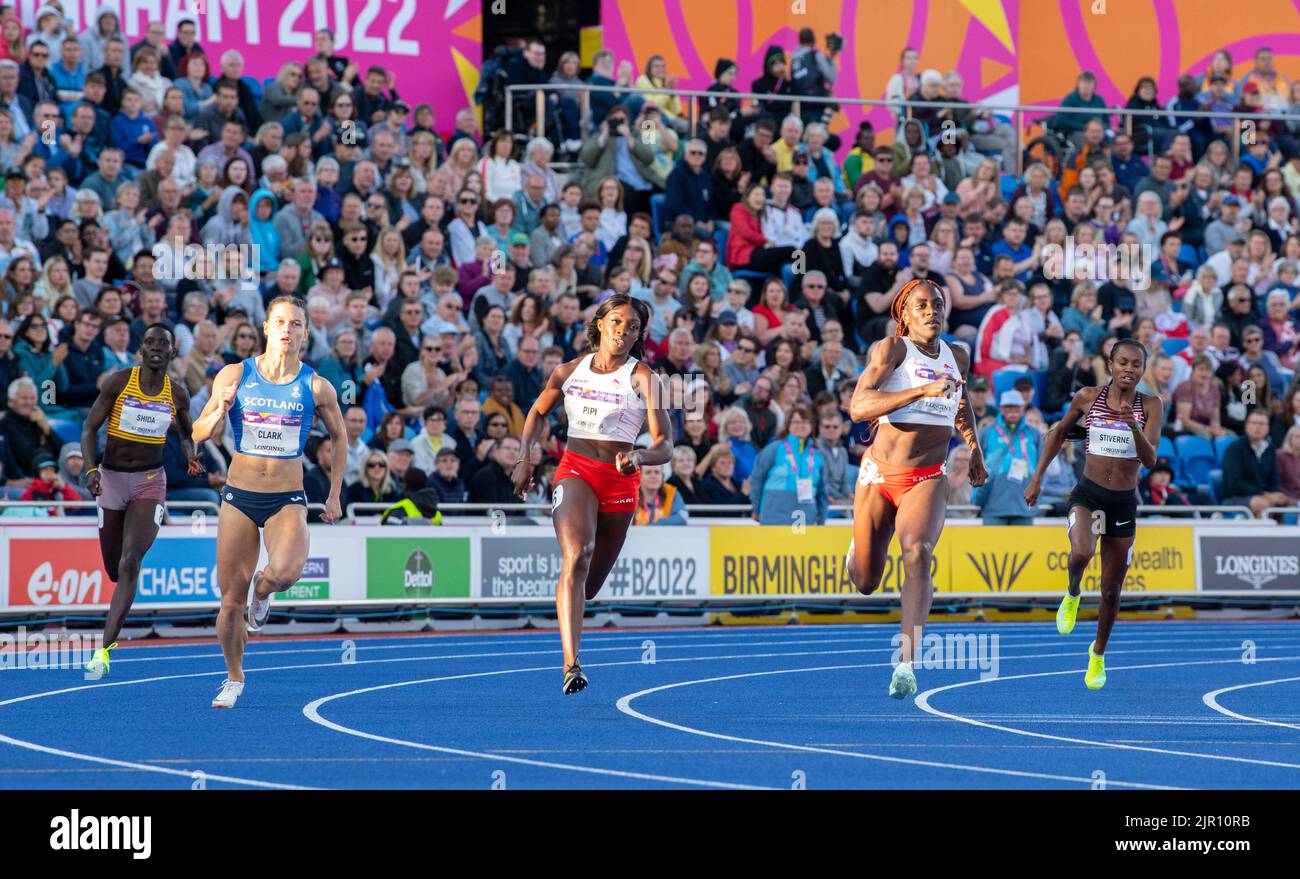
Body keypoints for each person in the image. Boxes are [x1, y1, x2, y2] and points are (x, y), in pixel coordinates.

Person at [190, 297, 348, 709]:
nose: (286, 330)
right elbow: (197, 432)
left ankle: (264, 593)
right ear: (266, 327)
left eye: (295, 324)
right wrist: (219, 411)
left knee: (285, 573)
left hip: (286, 498)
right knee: (229, 604)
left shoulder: (316, 386)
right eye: (279, 321)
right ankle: (234, 677)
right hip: (239, 497)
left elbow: (340, 437)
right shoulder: (234, 374)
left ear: (305, 334)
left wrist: (334, 493)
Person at [511, 294, 670, 694]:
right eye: (616, 321)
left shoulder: (644, 379)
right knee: (576, 553)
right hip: (575, 470)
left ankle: (572, 616)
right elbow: (535, 412)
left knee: (589, 585)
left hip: (620, 481)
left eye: (633, 326)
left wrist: (640, 455)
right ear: (600, 323)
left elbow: (666, 445)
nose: (623, 331)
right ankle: (571, 664)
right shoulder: (568, 371)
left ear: (639, 335)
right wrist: (526, 458)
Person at [846, 279, 987, 697]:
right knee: (867, 581)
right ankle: (857, 553)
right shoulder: (891, 351)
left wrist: (974, 447)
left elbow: (961, 404)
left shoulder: (957, 355)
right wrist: (920, 390)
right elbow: (858, 407)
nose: (932, 311)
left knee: (918, 552)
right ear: (904, 314)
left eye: (938, 304)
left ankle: (906, 662)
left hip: (926, 476)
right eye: (921, 305)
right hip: (879, 475)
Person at [1024, 339, 1162, 690]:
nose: (1129, 370)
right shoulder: (1088, 397)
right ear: (1110, 364)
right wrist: (1037, 477)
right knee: (1082, 552)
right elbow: (1057, 434)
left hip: (1123, 503)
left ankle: (1097, 655)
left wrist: (1133, 425)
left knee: (1112, 591)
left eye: (1136, 365)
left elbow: (1150, 460)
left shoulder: (1151, 405)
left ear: (1143, 369)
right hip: (1088, 493)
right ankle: (1072, 593)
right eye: (1123, 363)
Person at [81, 325, 198, 676]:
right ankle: (111, 624)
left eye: (164, 343)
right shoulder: (118, 382)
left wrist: (191, 455)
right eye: (150, 342)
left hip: (150, 481)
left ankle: (103, 649)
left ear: (173, 352)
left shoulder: (178, 394)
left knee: (131, 562)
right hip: (111, 479)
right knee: (114, 568)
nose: (156, 348)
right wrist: (90, 471)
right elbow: (88, 430)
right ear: (141, 350)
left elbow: (187, 434)